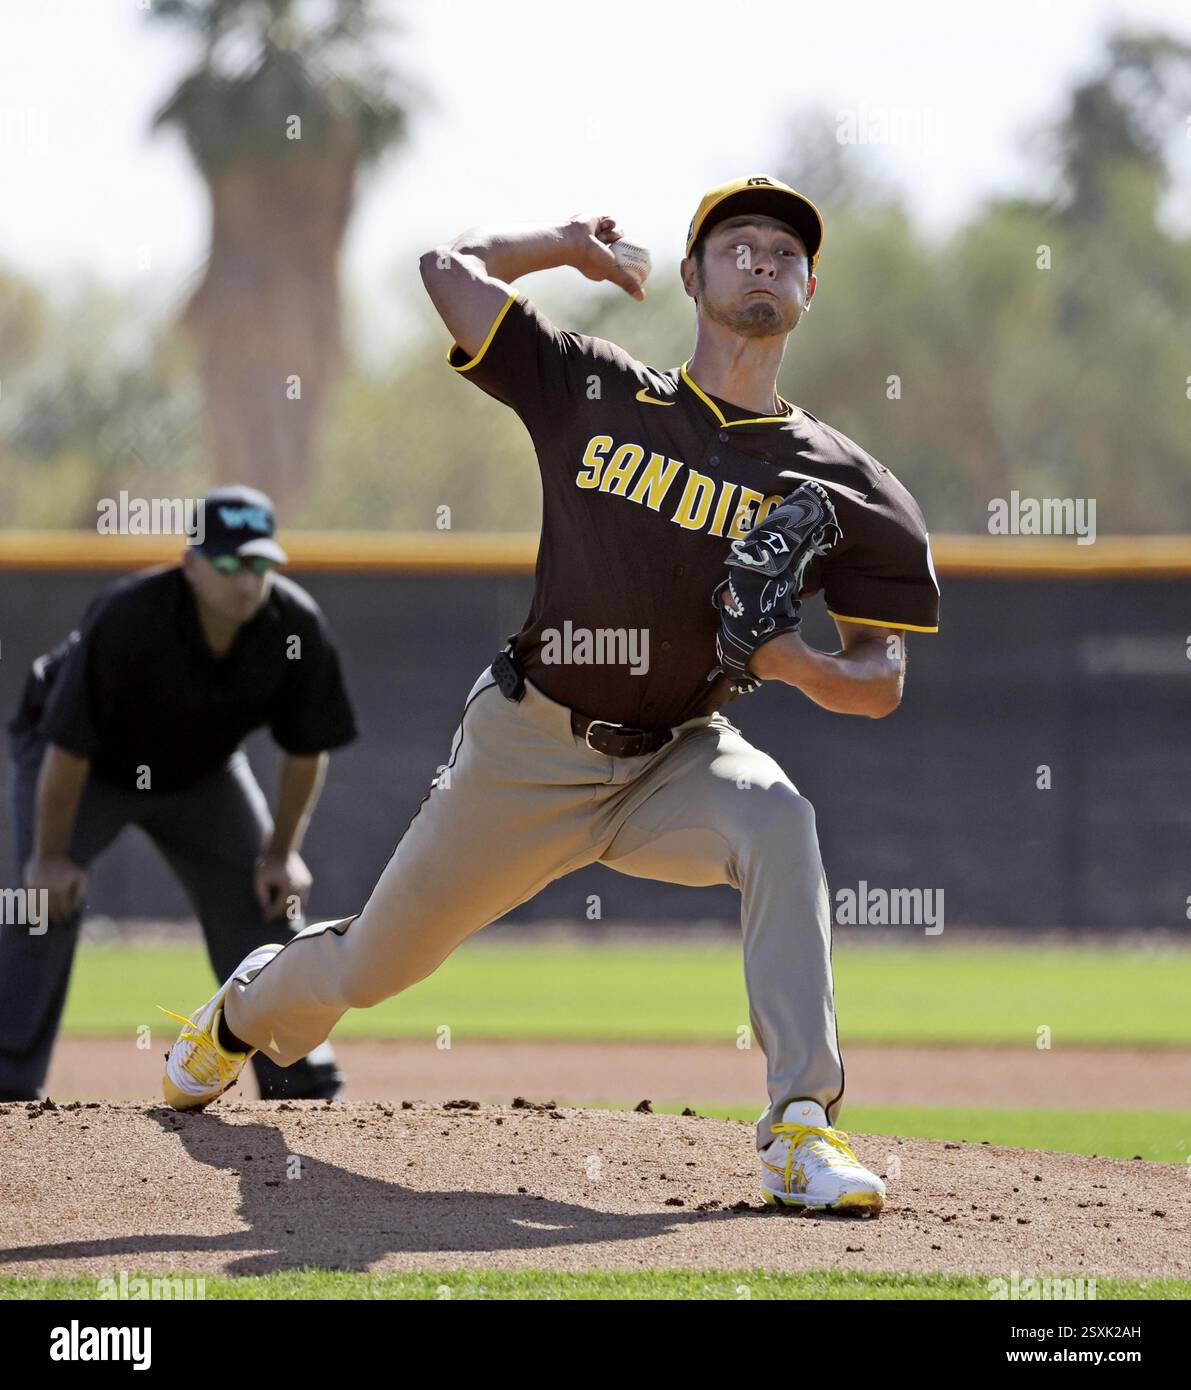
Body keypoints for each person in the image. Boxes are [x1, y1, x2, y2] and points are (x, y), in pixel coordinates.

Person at [161, 179, 940, 1215]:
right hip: (528, 745)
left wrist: (801, 666)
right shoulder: (594, 389)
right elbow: (447, 272)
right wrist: (562, 245)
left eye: (786, 252)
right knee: (368, 970)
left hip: (676, 753)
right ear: (694, 277)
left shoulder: (852, 487)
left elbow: (880, 683)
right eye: (738, 244)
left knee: (781, 822)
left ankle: (799, 1126)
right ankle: (243, 1009)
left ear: (809, 290)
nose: (763, 260)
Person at [2, 484, 358, 1102]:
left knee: (265, 898)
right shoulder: (128, 616)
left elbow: (306, 751)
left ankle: (298, 1076)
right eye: (227, 564)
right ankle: (6, 1084)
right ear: (191, 564)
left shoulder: (293, 626)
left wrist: (279, 852)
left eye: (259, 564)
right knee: (41, 899)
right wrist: (52, 856)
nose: (245, 581)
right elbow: (66, 746)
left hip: (201, 773)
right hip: (86, 767)